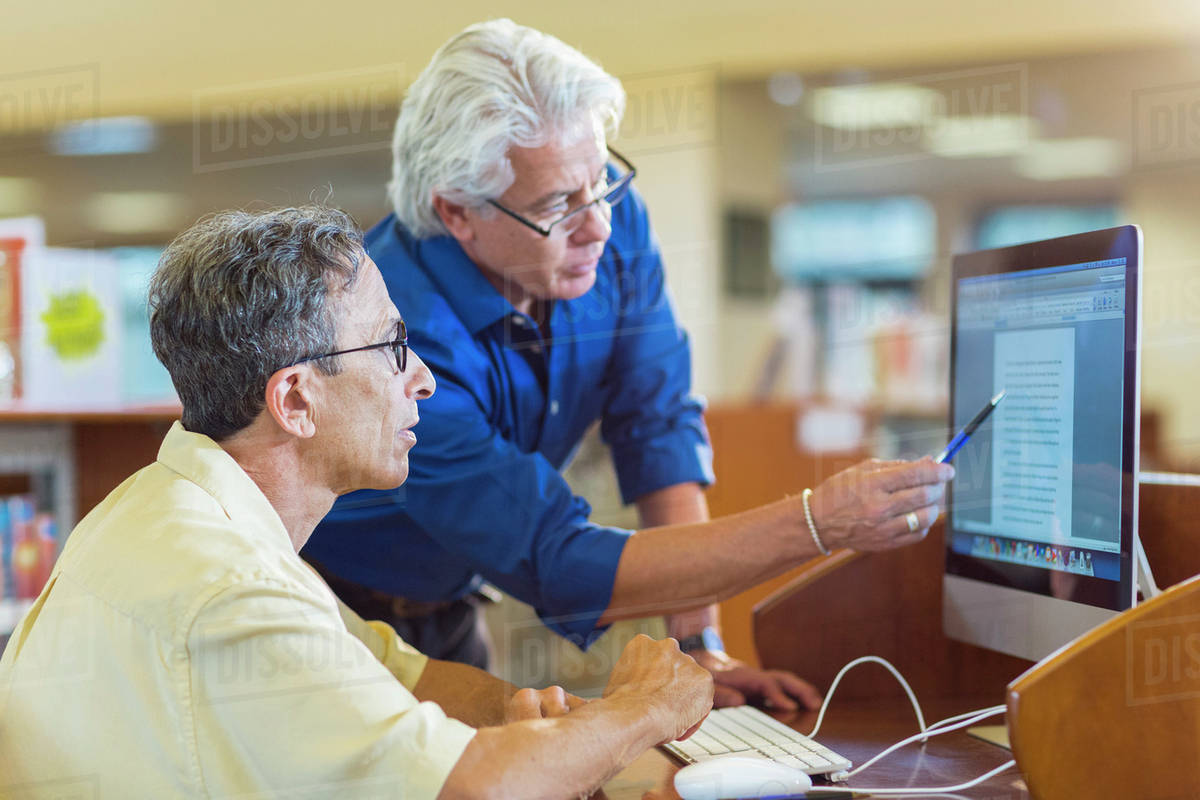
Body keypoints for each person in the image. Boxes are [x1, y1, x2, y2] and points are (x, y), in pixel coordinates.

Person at [304, 19, 955, 710]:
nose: (600, 225)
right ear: (457, 213)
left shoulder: (608, 220)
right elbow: (555, 557)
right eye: (559, 203)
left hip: (452, 602)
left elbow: (656, 423)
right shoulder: (394, 332)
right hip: (334, 614)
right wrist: (819, 521)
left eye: (602, 180)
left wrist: (698, 643)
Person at [0, 207, 714, 798]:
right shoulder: (231, 590)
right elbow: (477, 790)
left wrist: (545, 720)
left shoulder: (171, 511)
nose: (425, 382)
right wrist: (644, 707)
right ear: (295, 401)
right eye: (392, 348)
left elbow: (398, 674)